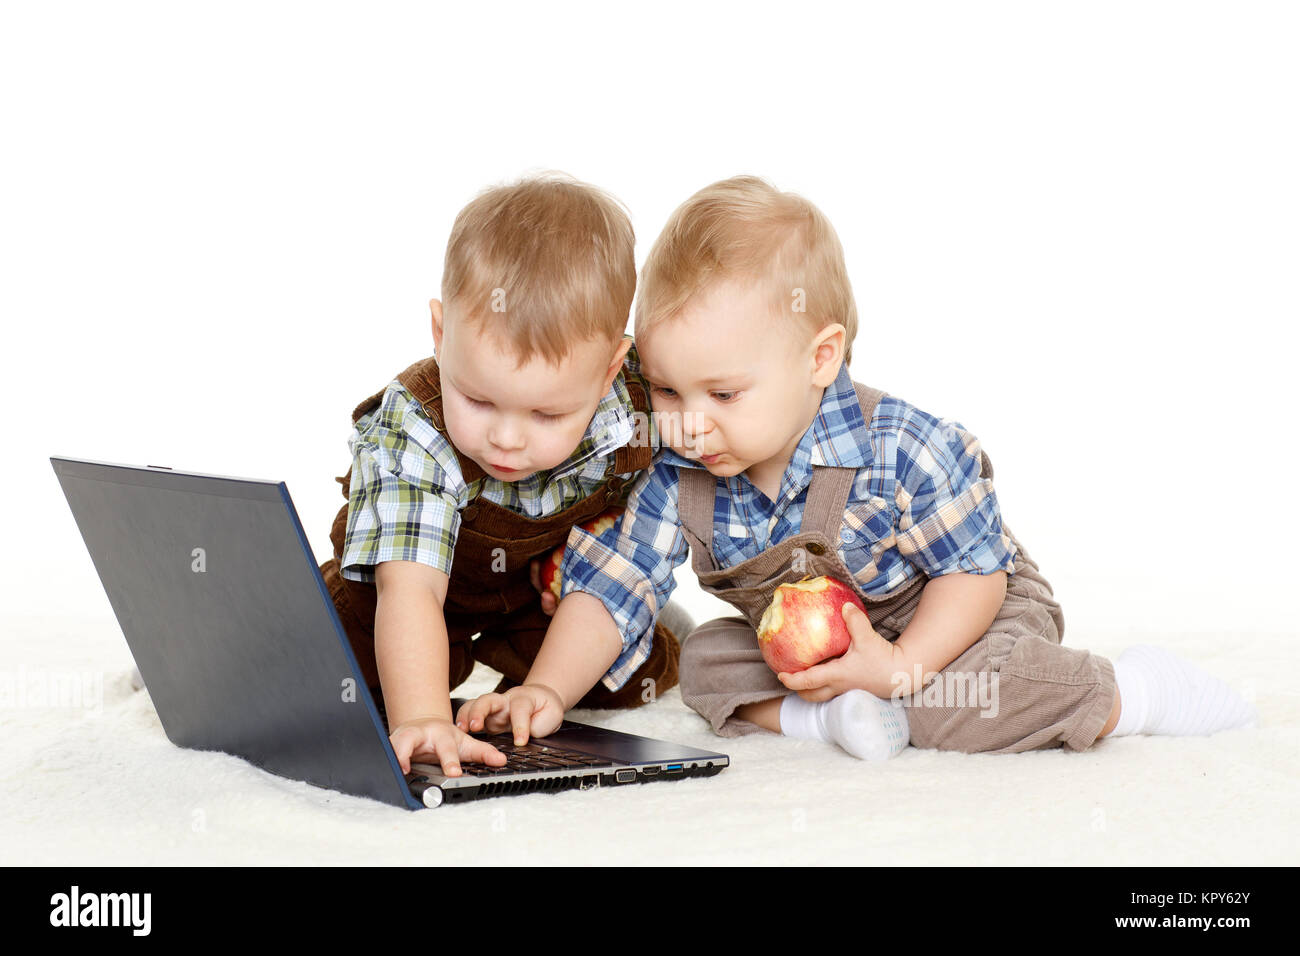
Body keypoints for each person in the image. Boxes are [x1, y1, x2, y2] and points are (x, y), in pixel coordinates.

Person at [457, 175, 1257, 761]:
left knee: (957, 703)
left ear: (820, 356)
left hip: (960, 616)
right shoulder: (679, 472)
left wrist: (903, 666)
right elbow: (616, 586)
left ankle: (1133, 691)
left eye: (724, 392)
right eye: (664, 389)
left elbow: (973, 575)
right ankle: (831, 719)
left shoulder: (902, 446)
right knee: (703, 661)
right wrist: (548, 692)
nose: (689, 421)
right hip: (826, 656)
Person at [317, 173, 686, 777]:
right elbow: (411, 590)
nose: (507, 438)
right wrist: (423, 718)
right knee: (340, 668)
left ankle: (635, 624)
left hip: (535, 596)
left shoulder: (636, 414)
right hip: (411, 589)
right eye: (480, 400)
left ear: (610, 369)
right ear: (441, 335)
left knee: (622, 678)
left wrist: (545, 691)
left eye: (548, 413)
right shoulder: (414, 425)